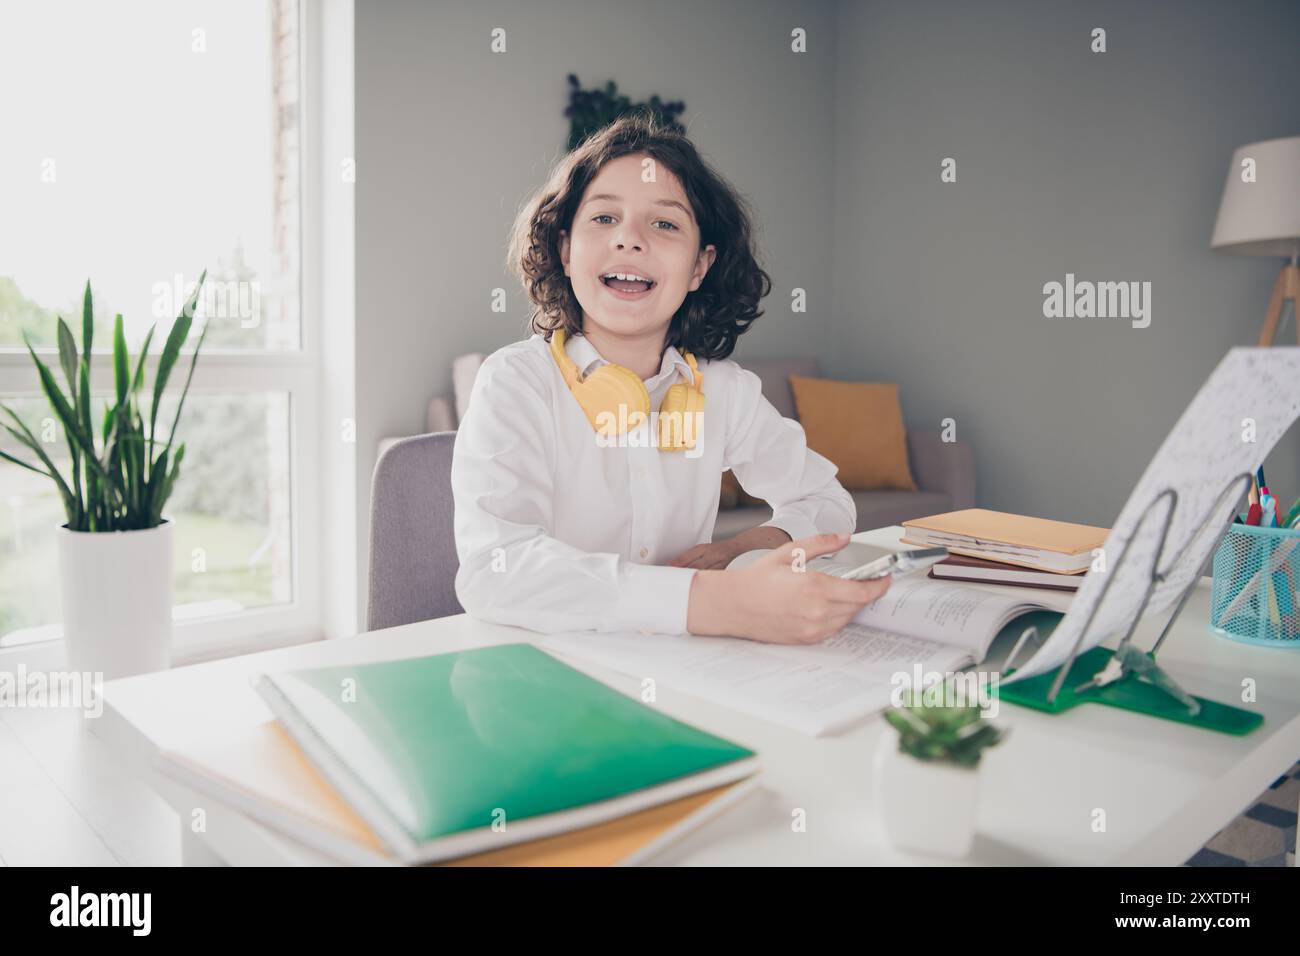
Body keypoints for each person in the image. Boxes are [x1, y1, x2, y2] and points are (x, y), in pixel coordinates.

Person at [451, 112, 890, 644]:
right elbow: (496, 570)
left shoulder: (723, 391)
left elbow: (827, 501)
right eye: (604, 218)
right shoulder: (516, 383)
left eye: (664, 224)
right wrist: (709, 602)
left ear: (700, 267)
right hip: (547, 671)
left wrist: (742, 546)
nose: (630, 241)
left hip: (677, 665)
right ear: (566, 250)